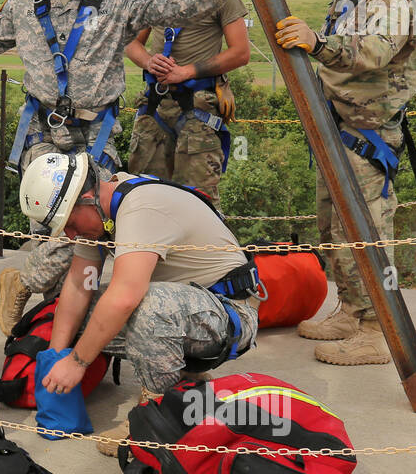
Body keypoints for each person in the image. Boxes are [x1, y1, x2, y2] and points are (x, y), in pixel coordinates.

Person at [0, 0, 241, 334]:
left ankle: (23, 281)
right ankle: (52, 324)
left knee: (91, 223)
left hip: (95, 135)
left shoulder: (116, 1)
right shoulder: (25, 3)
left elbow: (177, 6)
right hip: (41, 132)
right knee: (51, 226)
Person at [18, 151, 259, 451]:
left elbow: (125, 297)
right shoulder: (101, 216)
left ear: (87, 197)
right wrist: (56, 359)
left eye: (68, 222)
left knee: (143, 305)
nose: (68, 233)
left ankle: (157, 415)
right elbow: (80, 285)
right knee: (78, 312)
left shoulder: (140, 207)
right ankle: (188, 379)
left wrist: (78, 362)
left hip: (228, 315)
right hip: (187, 308)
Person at [274, 0, 416, 366]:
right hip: (339, 132)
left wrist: (316, 42)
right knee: (333, 229)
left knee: (366, 233)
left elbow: (373, 53)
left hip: (368, 136)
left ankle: (380, 330)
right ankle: (353, 311)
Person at [125, 0, 250, 208]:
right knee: (143, 199)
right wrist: (147, 61)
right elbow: (130, 43)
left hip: (196, 110)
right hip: (155, 105)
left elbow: (241, 52)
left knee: (198, 204)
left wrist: (188, 72)